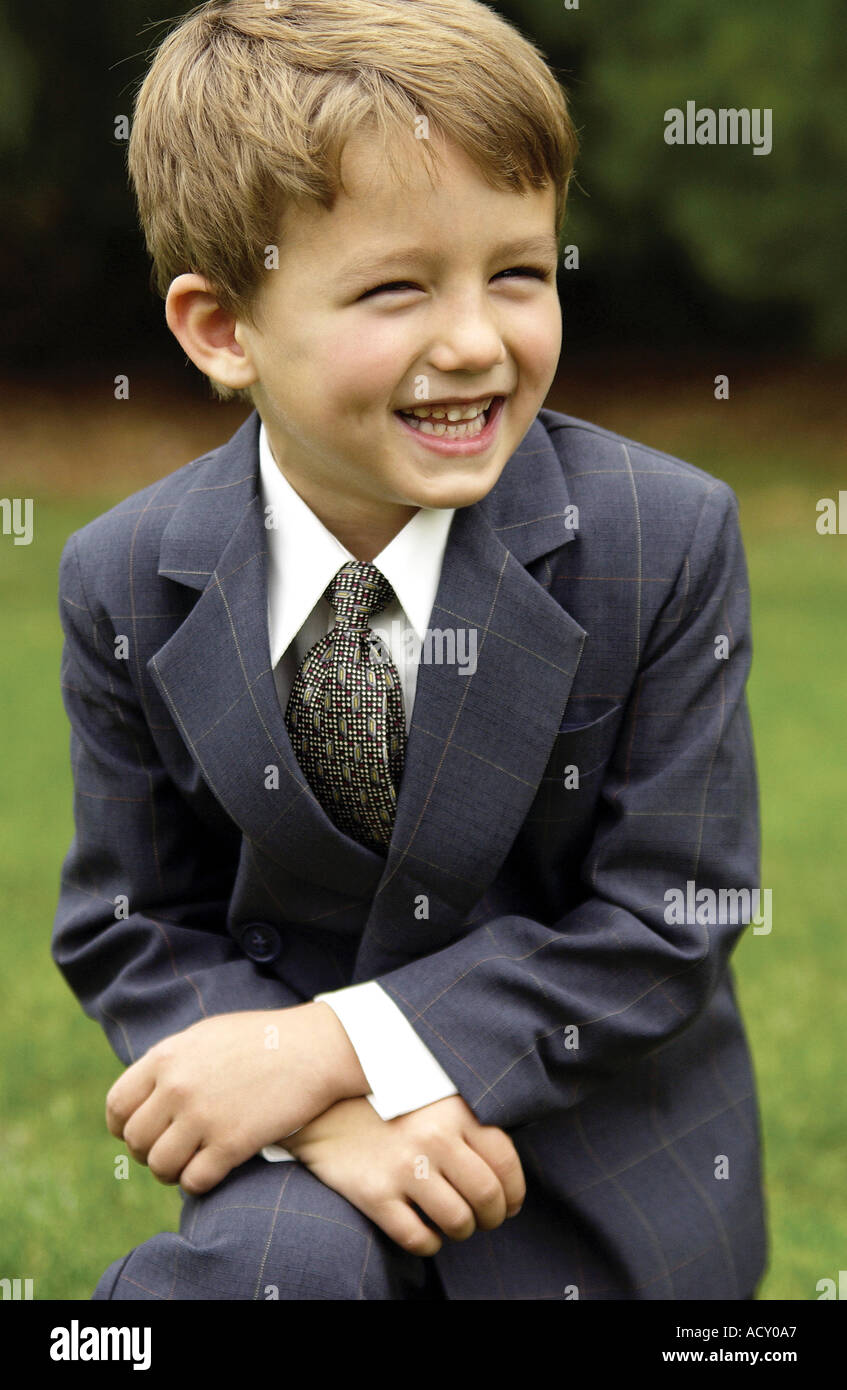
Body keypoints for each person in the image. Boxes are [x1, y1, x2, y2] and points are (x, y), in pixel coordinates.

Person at [52, 0, 767, 1300]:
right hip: (295, 1161)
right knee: (280, 1269)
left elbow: (668, 917)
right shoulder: (123, 577)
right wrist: (317, 1106)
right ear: (223, 329)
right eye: (397, 288)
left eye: (520, 272)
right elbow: (133, 919)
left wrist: (344, 1044)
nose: (477, 341)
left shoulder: (659, 538)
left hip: (580, 1154)